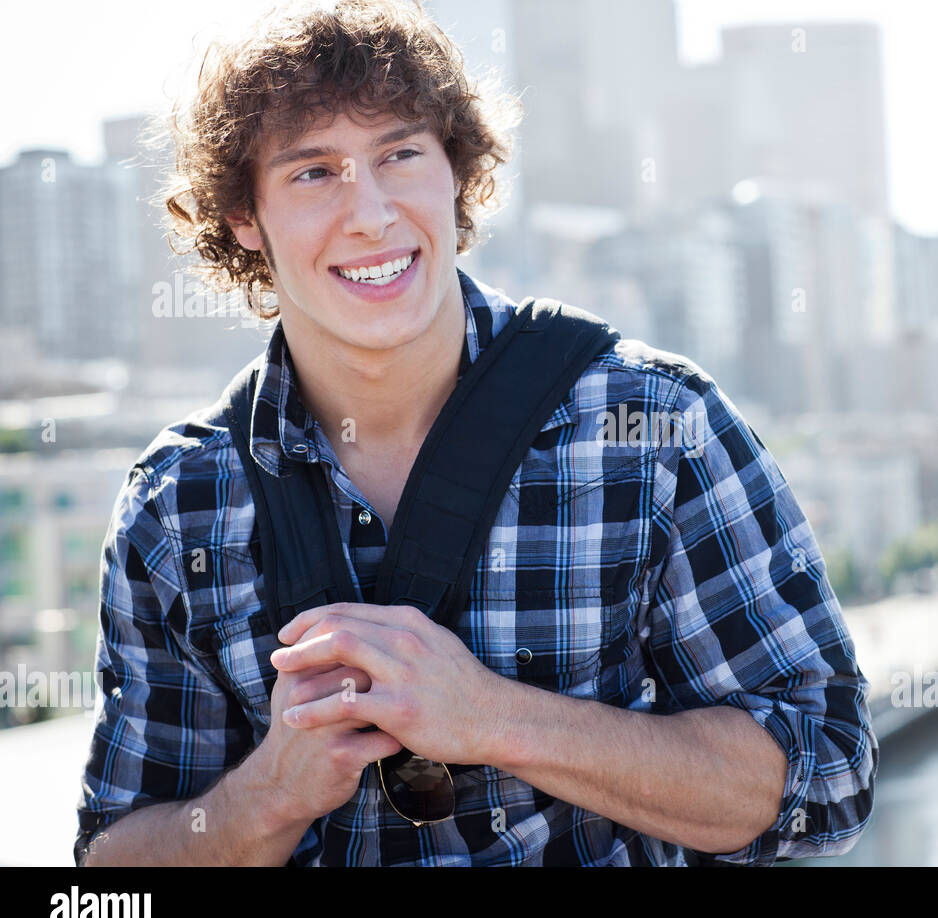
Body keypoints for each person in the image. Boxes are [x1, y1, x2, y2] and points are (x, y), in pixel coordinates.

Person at [75, 0, 878, 866]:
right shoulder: (177, 504)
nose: (371, 214)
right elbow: (111, 881)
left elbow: (828, 778)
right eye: (314, 173)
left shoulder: (654, 427)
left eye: (400, 155)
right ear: (244, 219)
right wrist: (272, 793)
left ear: (455, 171)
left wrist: (496, 717)